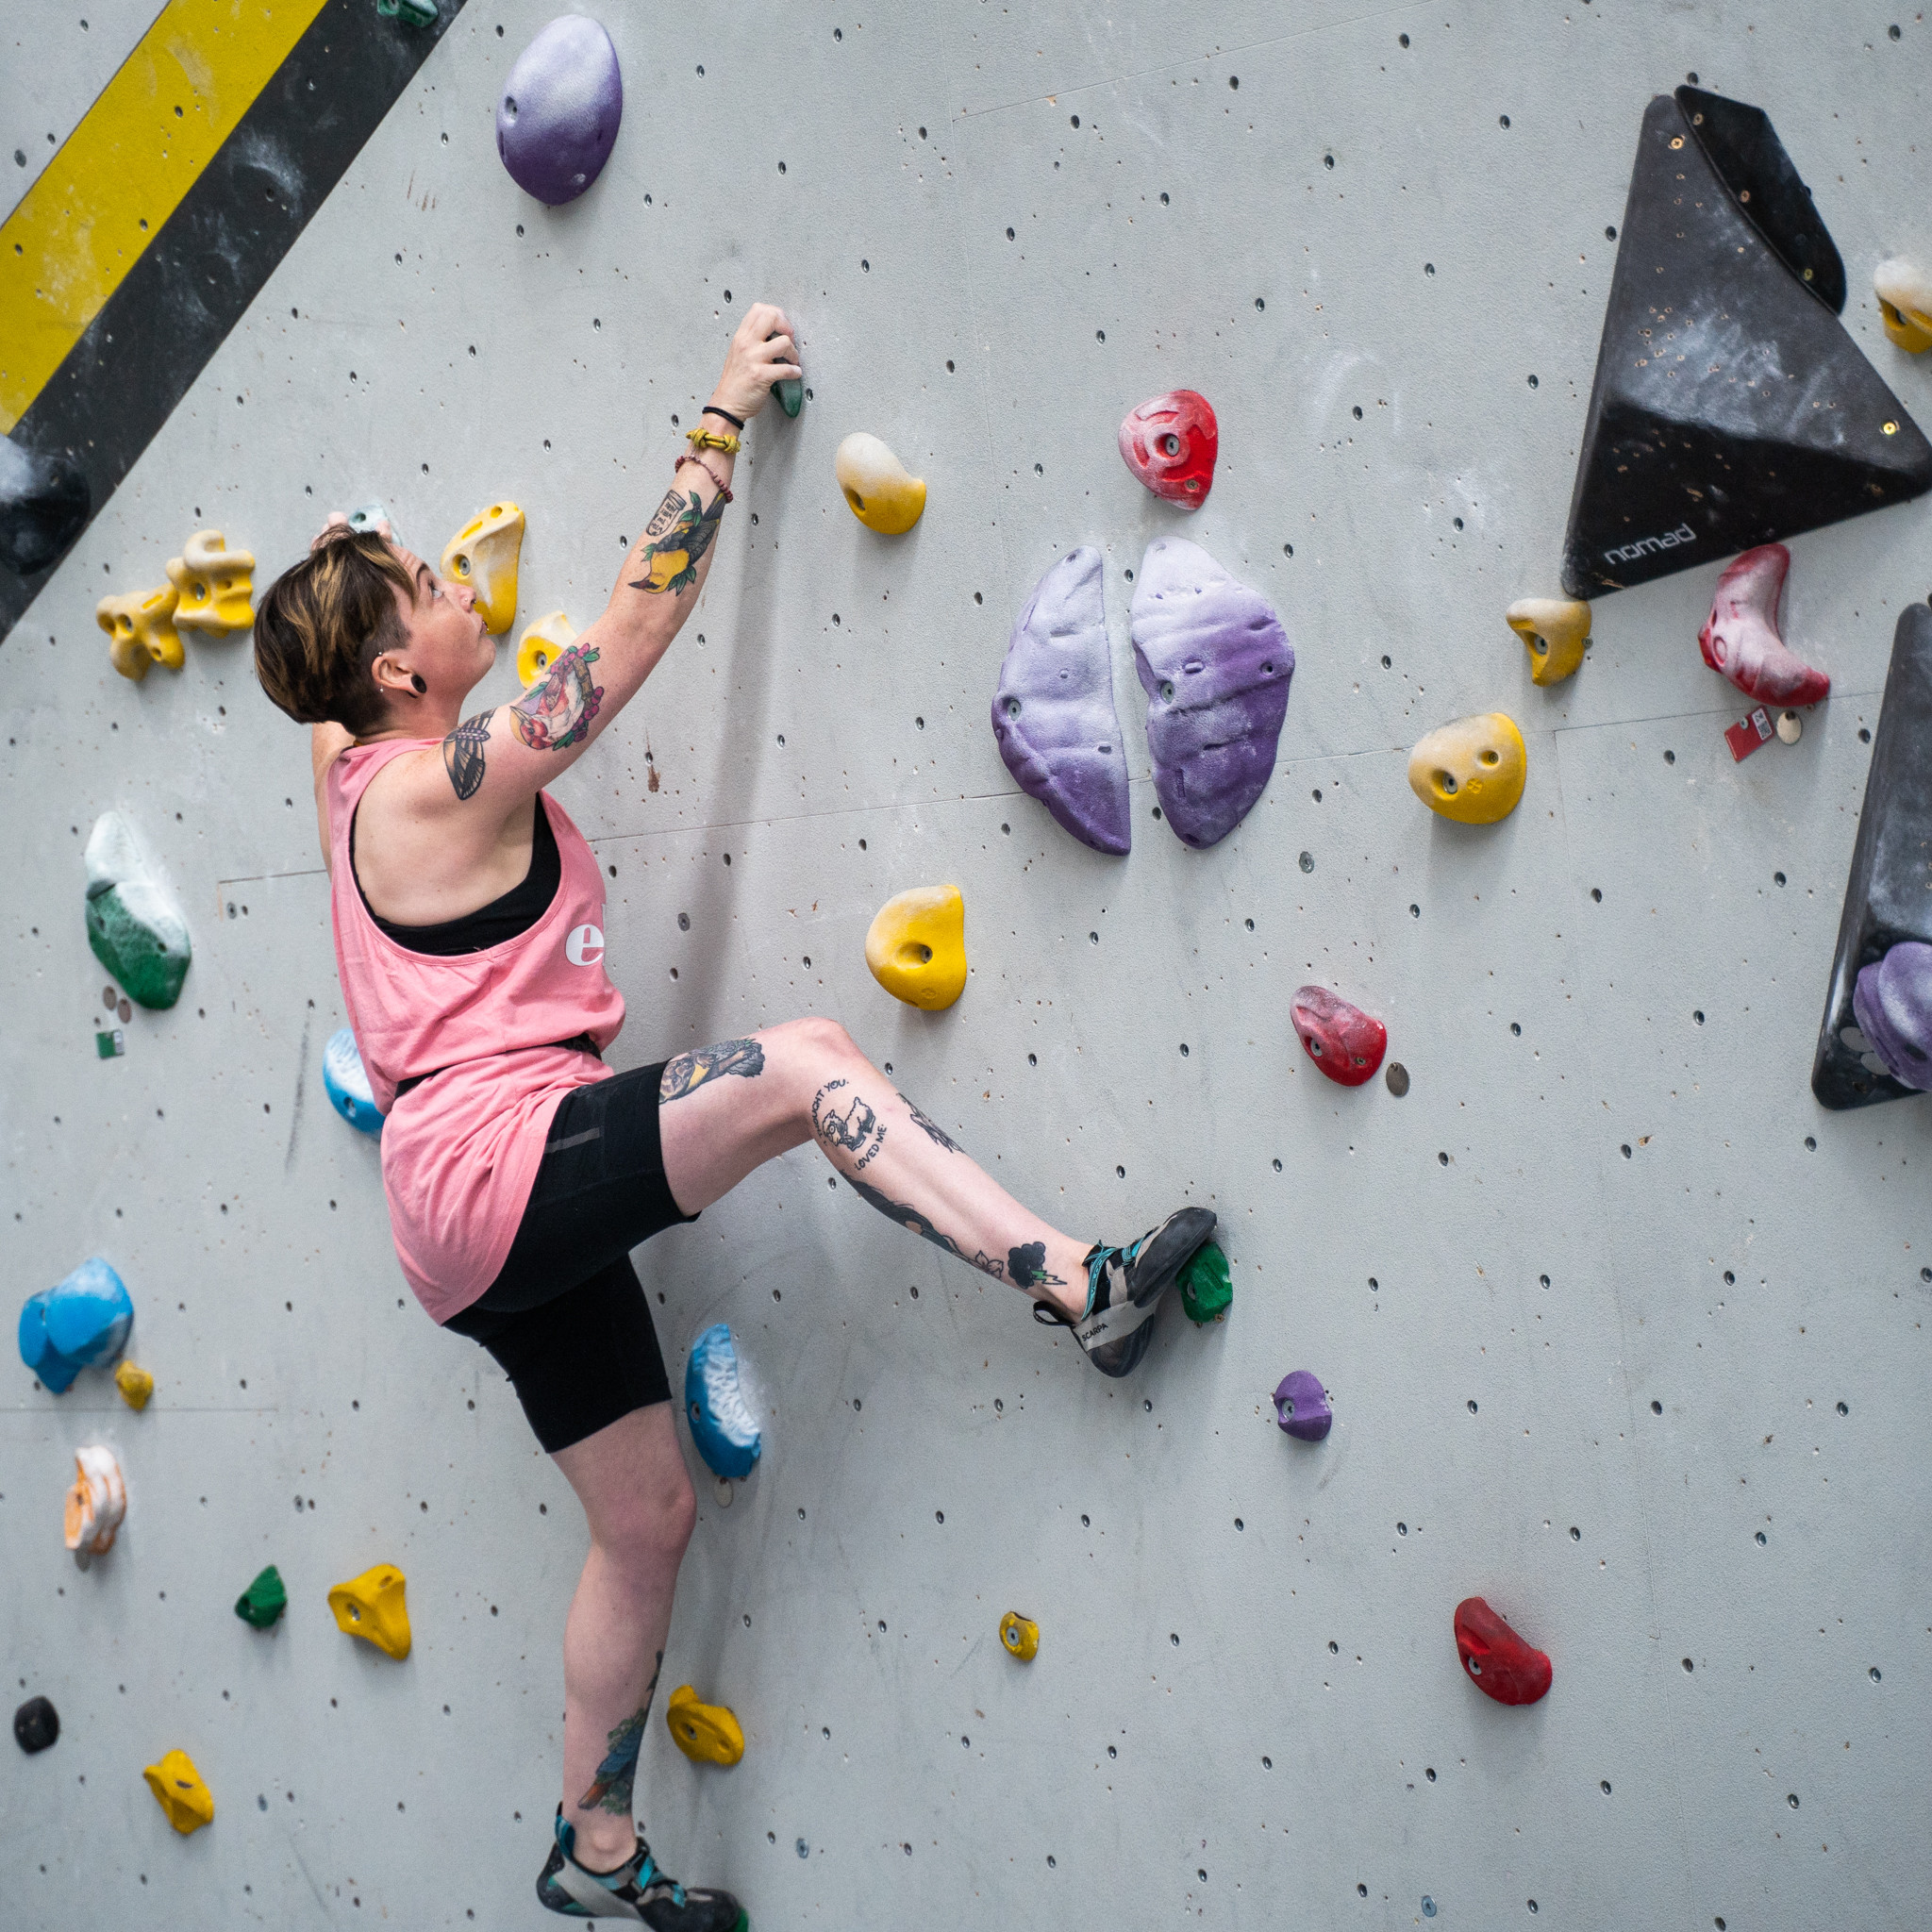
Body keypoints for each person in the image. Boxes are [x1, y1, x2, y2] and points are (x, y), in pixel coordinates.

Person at [252, 302, 1215, 1926]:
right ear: (406, 670)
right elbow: (619, 644)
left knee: (645, 1521)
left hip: (462, 1224)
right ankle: (1076, 1285)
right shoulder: (427, 783)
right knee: (806, 1061)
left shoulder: (355, 776)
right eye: (430, 589)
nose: (460, 586)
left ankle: (594, 1852)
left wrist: (352, 568)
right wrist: (716, 419)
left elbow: (334, 694)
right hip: (495, 1171)